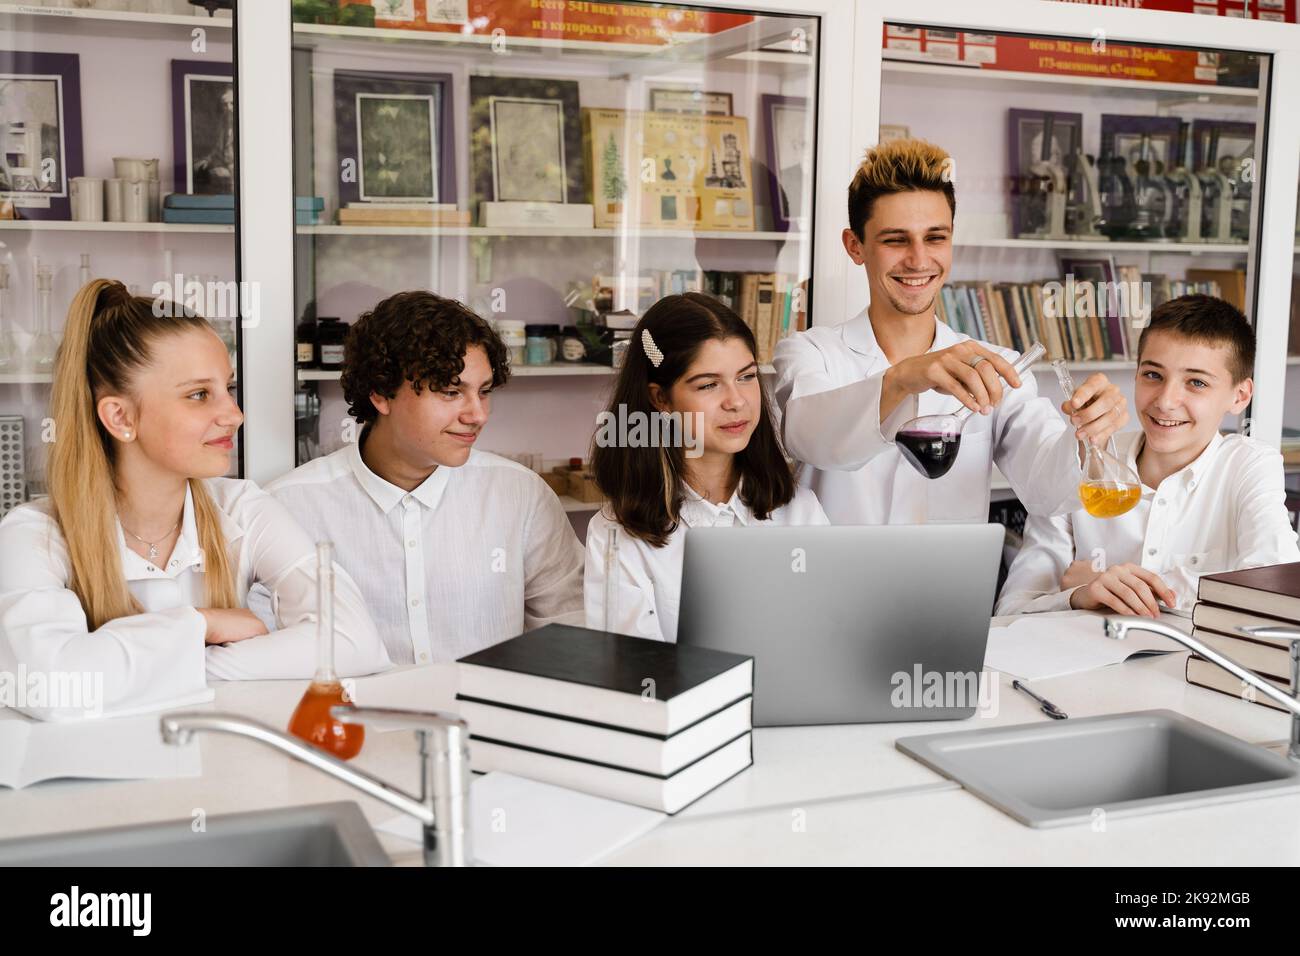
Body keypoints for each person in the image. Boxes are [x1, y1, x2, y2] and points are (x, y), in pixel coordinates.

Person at [0, 280, 389, 721]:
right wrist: (203, 624)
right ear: (120, 417)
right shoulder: (34, 536)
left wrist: (175, 667)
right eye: (199, 395)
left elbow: (355, 640)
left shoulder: (242, 507)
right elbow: (56, 686)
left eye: (228, 388)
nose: (234, 414)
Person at [772, 138, 1130, 525]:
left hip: (948, 587)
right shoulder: (810, 353)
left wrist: (1086, 437)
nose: (919, 259)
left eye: (935, 238)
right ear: (855, 246)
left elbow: (1049, 492)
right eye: (896, 240)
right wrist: (905, 378)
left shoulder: (999, 367)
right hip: (832, 583)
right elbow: (812, 440)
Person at [265, 291, 584, 664]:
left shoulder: (520, 496)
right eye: (451, 393)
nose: (477, 415)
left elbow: (571, 635)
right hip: (356, 720)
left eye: (484, 392)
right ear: (381, 394)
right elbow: (266, 654)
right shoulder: (289, 507)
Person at [996, 294, 1300, 616]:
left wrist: (1109, 584)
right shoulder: (1081, 460)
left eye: (1196, 382)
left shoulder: (1249, 465)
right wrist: (1079, 596)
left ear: (1239, 397)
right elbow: (1012, 613)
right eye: (1153, 375)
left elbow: (1273, 586)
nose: (1166, 401)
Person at [585, 292, 828, 642]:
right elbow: (635, 676)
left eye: (745, 377)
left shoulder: (800, 511)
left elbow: (827, 639)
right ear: (661, 399)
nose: (737, 401)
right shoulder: (617, 535)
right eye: (709, 384)